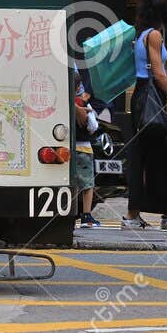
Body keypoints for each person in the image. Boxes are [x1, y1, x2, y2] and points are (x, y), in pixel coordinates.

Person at [123, 0, 167, 230]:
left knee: (143, 156)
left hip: (142, 96)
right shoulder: (154, 35)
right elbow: (158, 72)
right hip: (152, 96)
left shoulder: (142, 33)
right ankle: (165, 216)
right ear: (161, 11)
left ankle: (134, 215)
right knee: (161, 158)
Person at [71, 69, 101, 228]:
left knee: (73, 184)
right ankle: (87, 216)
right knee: (87, 185)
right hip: (84, 149)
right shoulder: (83, 104)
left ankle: (71, 213)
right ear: (78, 87)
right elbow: (93, 127)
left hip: (68, 149)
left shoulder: (65, 103)